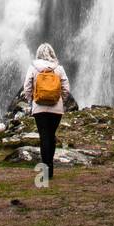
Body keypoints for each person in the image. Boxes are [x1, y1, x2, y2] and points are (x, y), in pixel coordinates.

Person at [22, 42, 71, 180]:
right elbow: (66, 88)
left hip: (39, 108)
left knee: (44, 137)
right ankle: (50, 169)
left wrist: (32, 100)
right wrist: (61, 100)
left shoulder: (33, 67)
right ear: (52, 53)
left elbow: (27, 87)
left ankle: (45, 170)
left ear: (38, 54)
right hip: (56, 109)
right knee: (51, 136)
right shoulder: (59, 68)